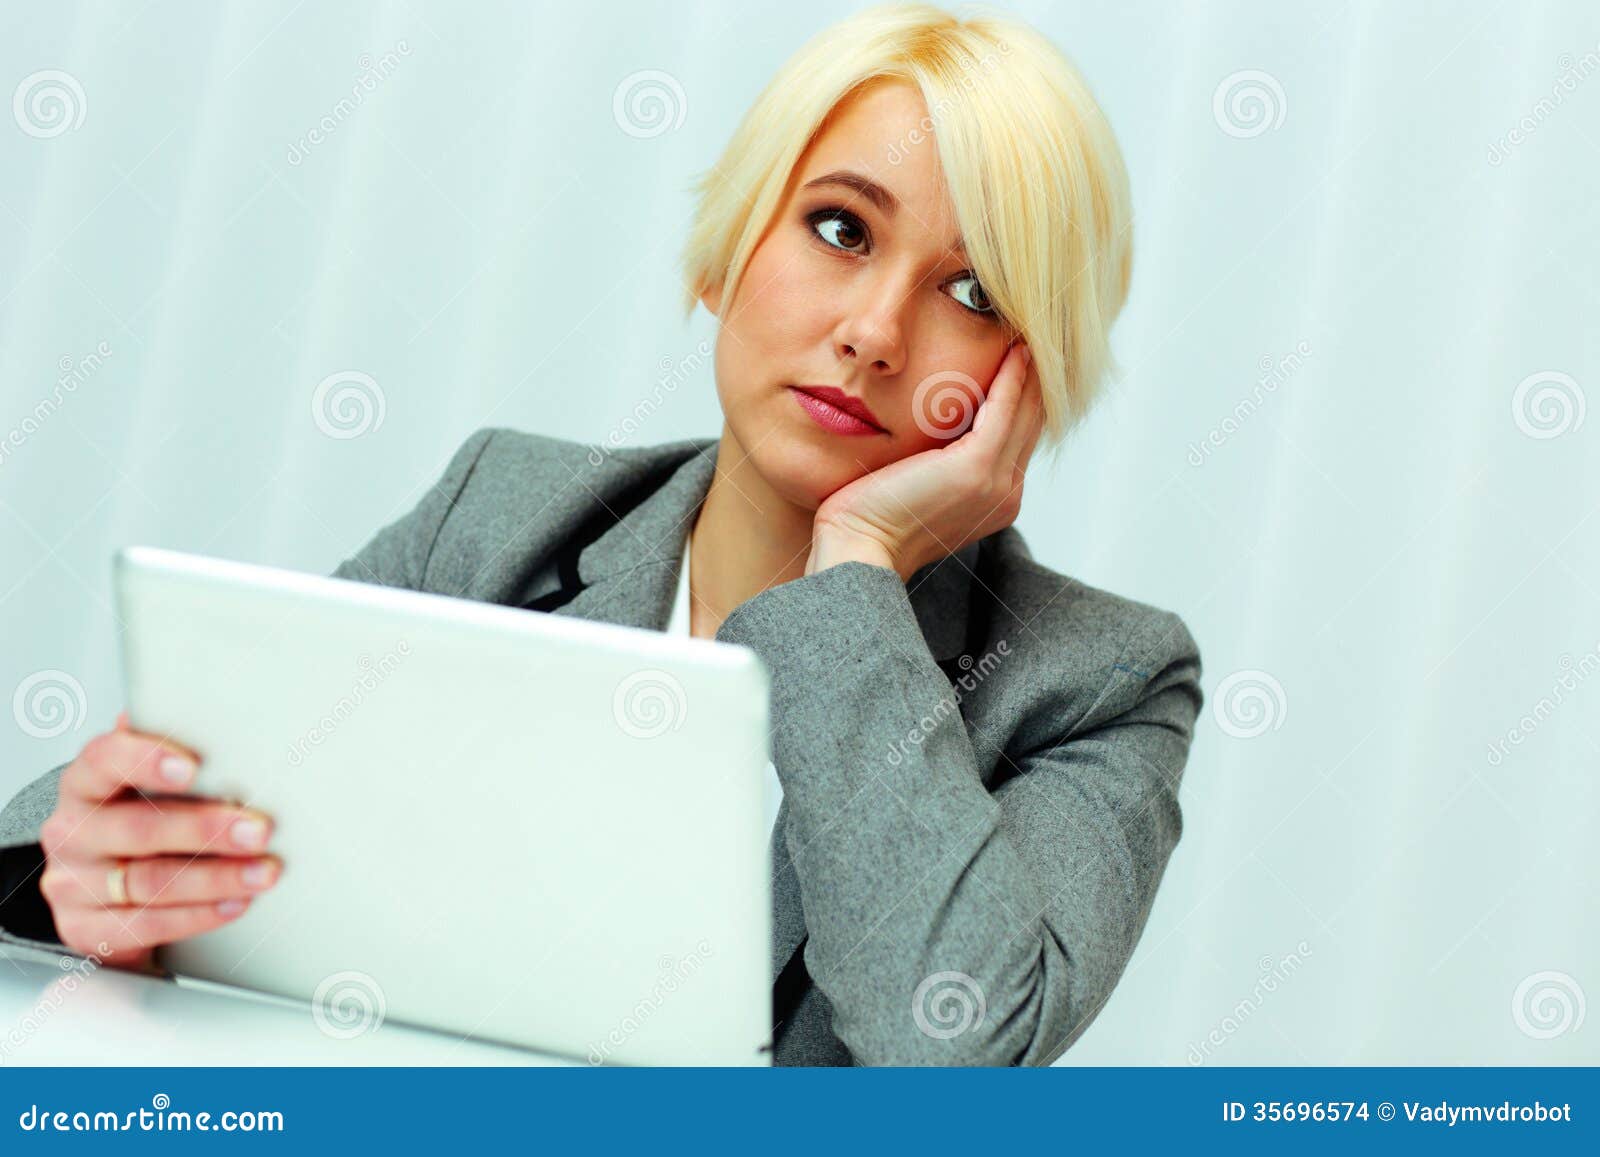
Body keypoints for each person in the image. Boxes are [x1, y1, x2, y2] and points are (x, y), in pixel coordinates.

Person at [0, 2, 1202, 1065]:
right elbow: (83, 828)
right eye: (841, 229)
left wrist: (852, 575)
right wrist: (105, 878)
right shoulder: (505, 514)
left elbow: (946, 1059)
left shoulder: (1096, 681)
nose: (877, 331)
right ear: (731, 252)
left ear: (1026, 382)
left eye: (974, 291)